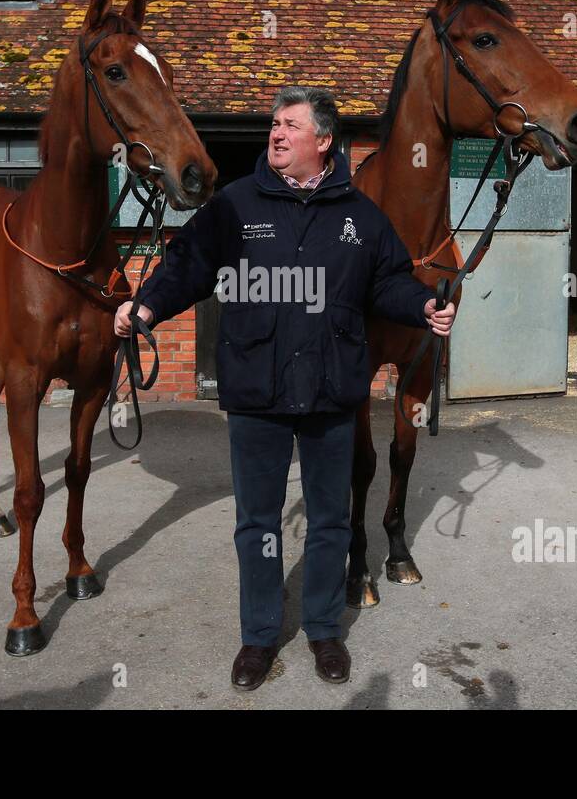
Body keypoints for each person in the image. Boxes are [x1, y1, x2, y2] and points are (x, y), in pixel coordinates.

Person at [115, 86, 455, 690]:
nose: (276, 133)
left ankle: (325, 629)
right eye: (274, 124)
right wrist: (145, 308)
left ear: (322, 142)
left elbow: (389, 282)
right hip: (256, 392)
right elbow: (187, 262)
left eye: (290, 125)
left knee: (328, 519)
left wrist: (425, 306)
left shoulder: (360, 215)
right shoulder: (236, 205)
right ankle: (259, 637)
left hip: (331, 393)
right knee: (258, 522)